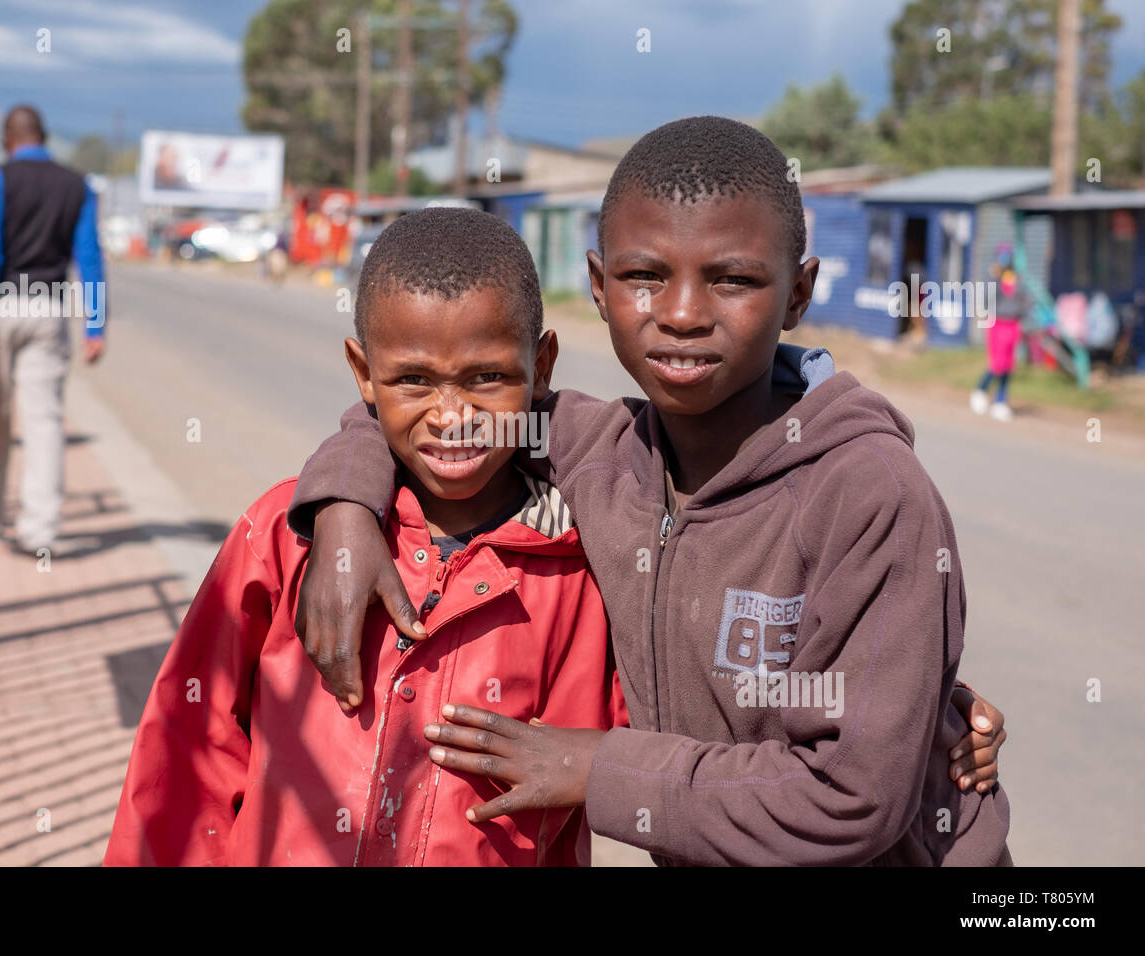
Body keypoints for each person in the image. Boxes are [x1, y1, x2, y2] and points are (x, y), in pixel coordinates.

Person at [287, 117, 1012, 865]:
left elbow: (851, 798)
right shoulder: (596, 450)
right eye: (645, 276)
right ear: (600, 288)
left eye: (733, 279)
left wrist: (597, 768)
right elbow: (437, 414)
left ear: (798, 293)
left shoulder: (869, 496)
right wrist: (345, 511)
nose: (683, 313)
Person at [104, 209, 625, 866]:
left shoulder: (585, 567)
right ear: (363, 372)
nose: (453, 416)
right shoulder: (286, 537)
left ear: (541, 363)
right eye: (413, 380)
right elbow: (190, 744)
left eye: (487, 377)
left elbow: (657, 736)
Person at [0, 105, 107, 556]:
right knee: (43, 421)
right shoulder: (77, 186)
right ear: (45, 136)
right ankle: (39, 529)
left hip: (2, 306)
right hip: (50, 310)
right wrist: (94, 326)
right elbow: (90, 261)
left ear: (8, 138)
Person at [970, 245, 1027, 422]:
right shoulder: (993, 277)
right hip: (997, 322)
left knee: (1009, 365)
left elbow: (1023, 301)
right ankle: (980, 390)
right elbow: (987, 300)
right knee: (997, 363)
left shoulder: (1017, 279)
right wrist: (996, 278)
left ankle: (1001, 401)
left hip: (1013, 324)